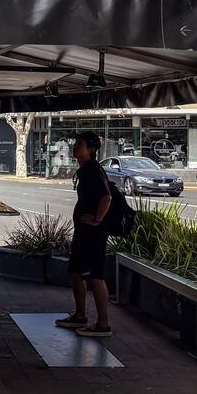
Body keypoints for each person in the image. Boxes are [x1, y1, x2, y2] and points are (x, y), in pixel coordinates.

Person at [56, 131, 113, 338]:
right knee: (75, 271)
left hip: (93, 233)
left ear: (91, 149)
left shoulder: (93, 171)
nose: (75, 146)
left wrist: (97, 219)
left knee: (95, 275)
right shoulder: (85, 169)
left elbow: (106, 198)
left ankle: (103, 324)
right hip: (83, 232)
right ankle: (80, 315)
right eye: (76, 142)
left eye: (79, 144)